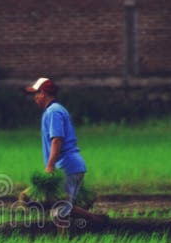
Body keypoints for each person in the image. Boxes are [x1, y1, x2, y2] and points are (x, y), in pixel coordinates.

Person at [25, 77, 108, 227]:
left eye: (36, 93)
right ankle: (96, 220)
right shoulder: (57, 110)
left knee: (59, 211)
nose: (35, 97)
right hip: (72, 165)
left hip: (67, 166)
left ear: (43, 93)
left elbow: (57, 139)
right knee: (63, 207)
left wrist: (50, 166)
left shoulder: (53, 112)